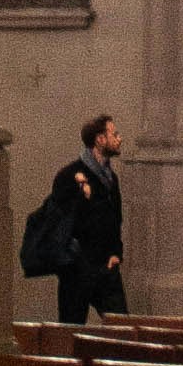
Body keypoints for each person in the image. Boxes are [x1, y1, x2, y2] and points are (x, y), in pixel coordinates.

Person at [40, 113, 126, 324]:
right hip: (77, 271)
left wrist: (116, 253)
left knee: (122, 328)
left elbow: (115, 219)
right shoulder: (69, 176)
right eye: (114, 134)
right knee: (71, 331)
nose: (119, 138)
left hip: (106, 267)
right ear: (100, 139)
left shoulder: (110, 178)